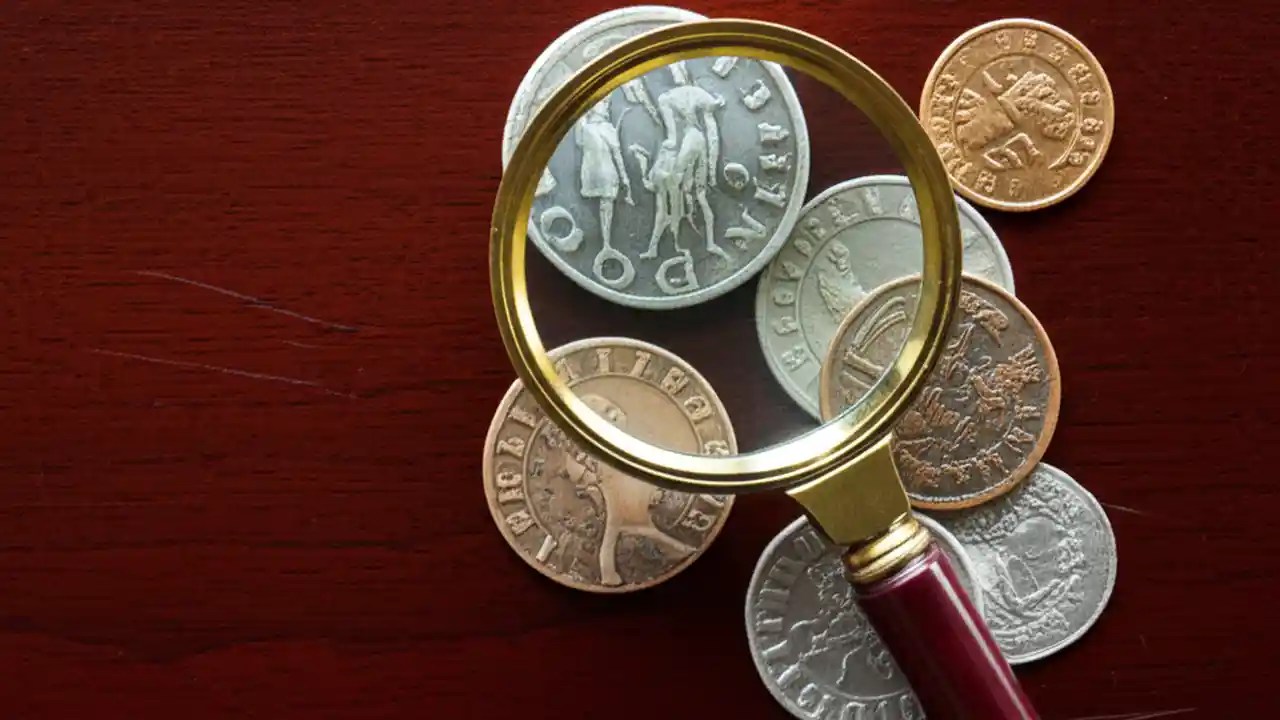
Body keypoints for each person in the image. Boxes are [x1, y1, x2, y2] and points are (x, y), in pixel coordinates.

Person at [561, 394, 694, 587]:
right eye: (606, 413)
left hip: (622, 487)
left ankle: (612, 568)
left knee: (624, 524)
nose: (615, 414)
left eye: (612, 407)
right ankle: (608, 571)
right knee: (615, 525)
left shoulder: (621, 444)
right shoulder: (597, 451)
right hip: (612, 486)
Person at [574, 100, 633, 254]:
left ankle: (605, 242)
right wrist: (624, 178)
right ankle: (605, 242)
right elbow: (617, 155)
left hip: (594, 173)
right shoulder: (600, 127)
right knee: (605, 206)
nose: (606, 106)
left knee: (604, 206)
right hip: (602, 172)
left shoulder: (589, 127)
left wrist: (624, 177)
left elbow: (580, 142)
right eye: (603, 103)